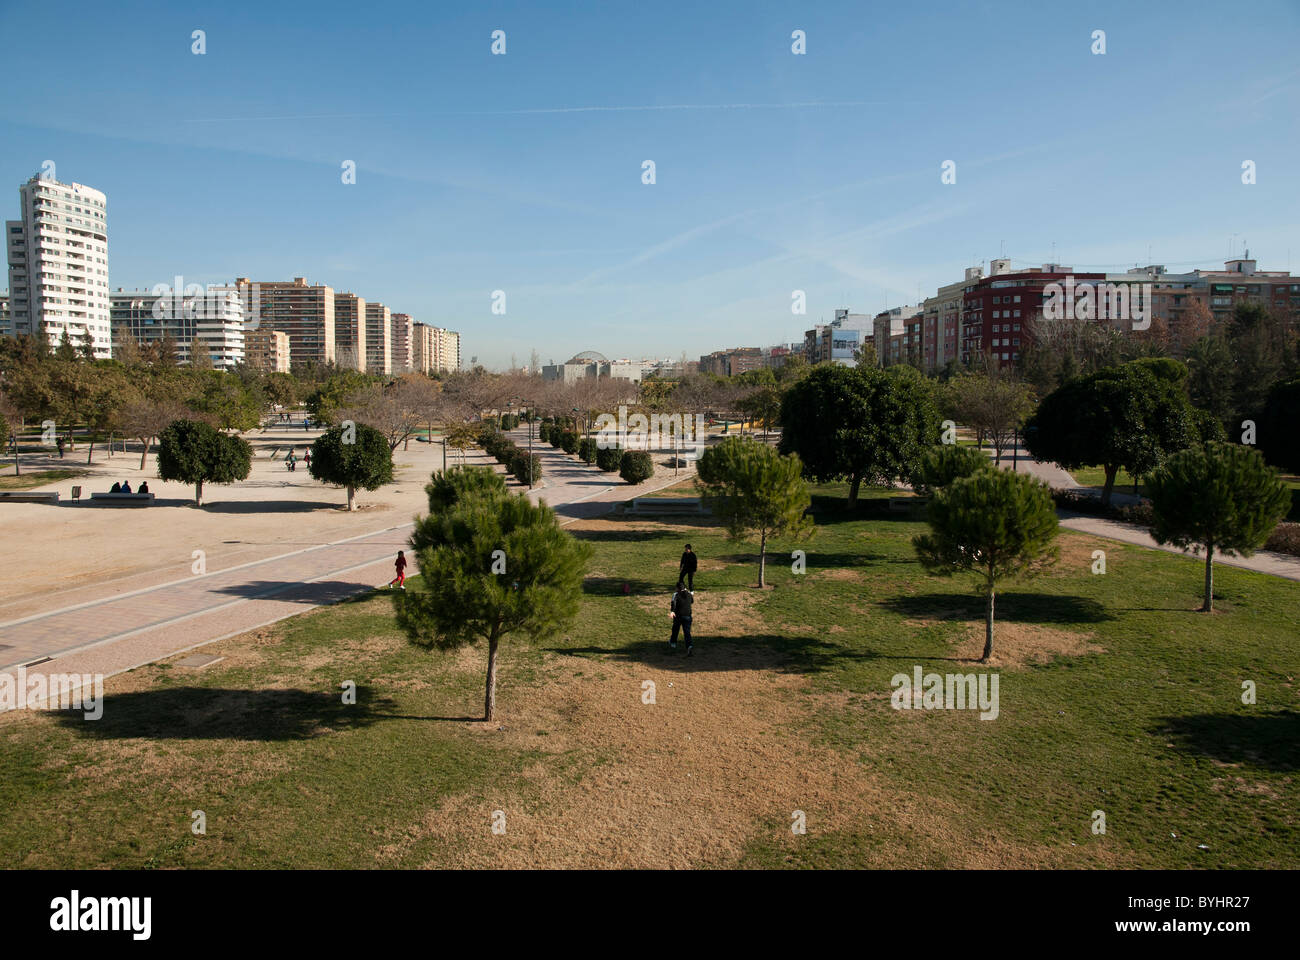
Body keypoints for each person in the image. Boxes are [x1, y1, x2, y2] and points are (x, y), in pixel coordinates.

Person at [669, 580, 694, 656]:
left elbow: (673, 603)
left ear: (677, 588)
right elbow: (692, 601)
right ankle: (689, 646)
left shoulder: (675, 594)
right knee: (687, 632)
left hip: (678, 616)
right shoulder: (689, 594)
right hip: (688, 615)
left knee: (675, 629)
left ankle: (673, 643)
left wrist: (672, 611)